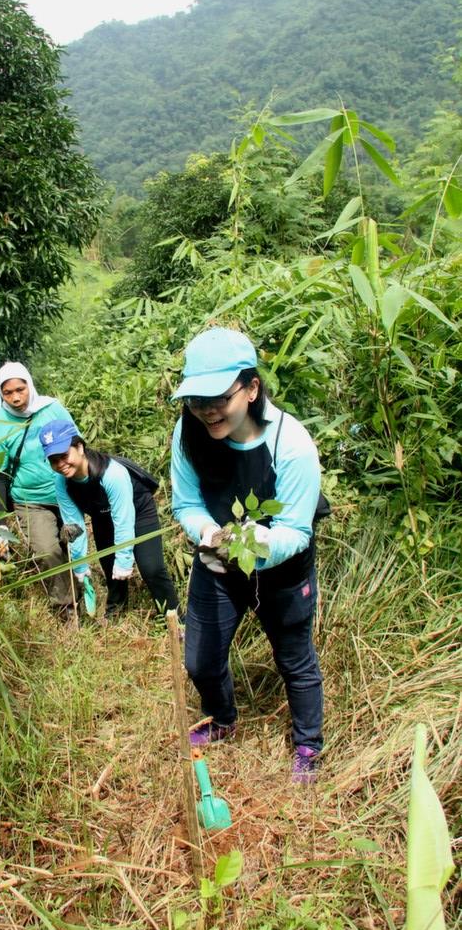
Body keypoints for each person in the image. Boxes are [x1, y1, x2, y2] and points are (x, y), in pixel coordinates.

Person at [170, 327, 324, 784]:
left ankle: (308, 746)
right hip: (217, 565)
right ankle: (221, 719)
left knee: (294, 659)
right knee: (200, 660)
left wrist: (256, 544)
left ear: (252, 388)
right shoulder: (189, 431)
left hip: (282, 573)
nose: (207, 410)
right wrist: (208, 532)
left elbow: (296, 531)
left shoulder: (291, 444)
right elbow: (186, 503)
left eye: (219, 397)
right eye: (196, 400)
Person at [38, 418, 181, 620]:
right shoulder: (62, 483)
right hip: (101, 516)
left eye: (64, 455)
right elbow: (73, 527)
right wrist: (80, 565)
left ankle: (175, 617)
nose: (60, 464)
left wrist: (124, 560)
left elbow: (123, 520)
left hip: (138, 510)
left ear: (79, 447)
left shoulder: (112, 474)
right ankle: (115, 613)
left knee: (151, 568)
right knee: (110, 567)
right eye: (54, 460)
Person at [0, 362, 74, 618]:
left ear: (30, 385)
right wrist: (0, 526)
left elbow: (77, 446)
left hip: (66, 493)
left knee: (70, 545)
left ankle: (81, 590)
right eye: (7, 393)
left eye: (20, 390)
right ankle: (65, 608)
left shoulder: (52, 409)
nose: (15, 398)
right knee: (47, 551)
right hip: (31, 499)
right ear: (0, 394)